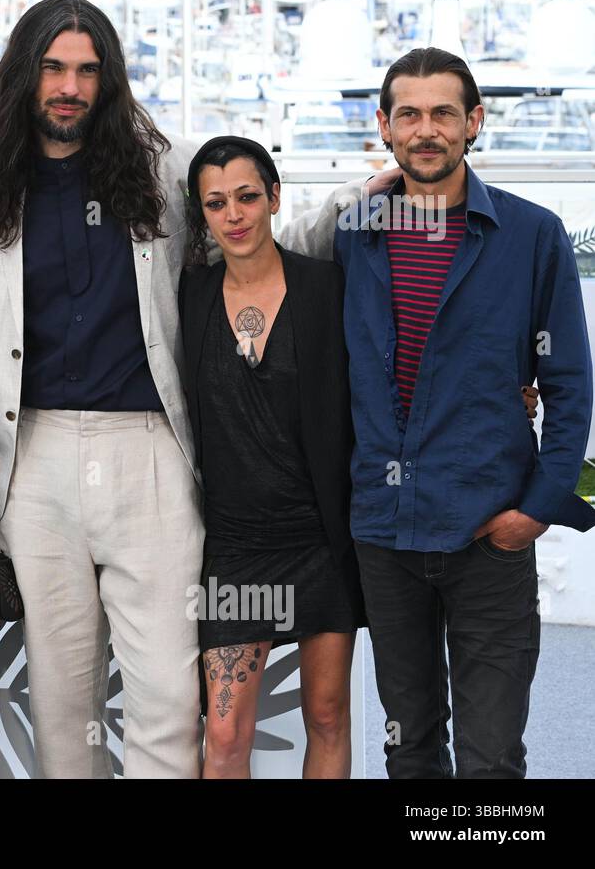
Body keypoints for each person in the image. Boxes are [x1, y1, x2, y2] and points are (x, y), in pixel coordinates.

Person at [0, 0, 356, 778]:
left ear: (108, 80)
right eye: (54, 67)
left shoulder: (164, 170)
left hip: (149, 448)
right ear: (26, 74)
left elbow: (252, 234)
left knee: (162, 690)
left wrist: (362, 206)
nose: (70, 86)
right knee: (61, 699)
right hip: (35, 457)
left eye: (88, 70)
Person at [280, 47, 595, 778]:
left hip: (491, 535)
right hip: (385, 538)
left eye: (444, 114)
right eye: (410, 115)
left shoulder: (532, 236)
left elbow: (571, 384)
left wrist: (539, 508)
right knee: (410, 746)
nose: (427, 131)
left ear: (473, 123)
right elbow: (254, 260)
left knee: (491, 758)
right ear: (384, 128)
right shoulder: (353, 236)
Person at [179, 136, 365, 779]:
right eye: (216, 202)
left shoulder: (327, 288)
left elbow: (397, 359)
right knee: (226, 731)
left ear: (275, 198)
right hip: (234, 546)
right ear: (201, 216)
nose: (234, 214)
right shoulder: (186, 297)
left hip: (321, 538)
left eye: (248, 196)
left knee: (329, 714)